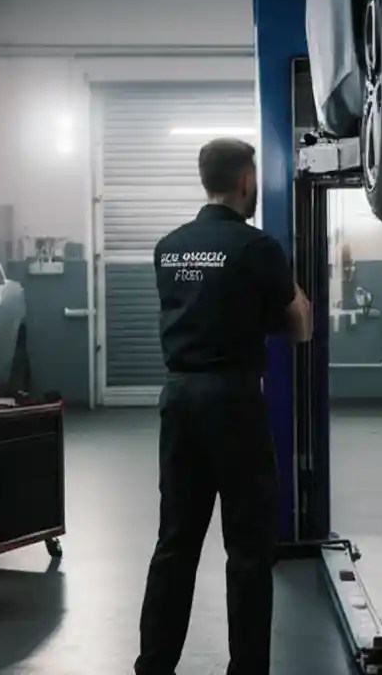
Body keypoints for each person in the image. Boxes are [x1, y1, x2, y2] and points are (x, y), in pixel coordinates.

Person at [135, 138, 314, 675]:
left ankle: (154, 666)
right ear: (245, 182)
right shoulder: (258, 248)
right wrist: (286, 297)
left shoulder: (168, 247)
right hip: (233, 402)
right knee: (249, 548)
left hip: (180, 401)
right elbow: (299, 327)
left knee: (175, 542)